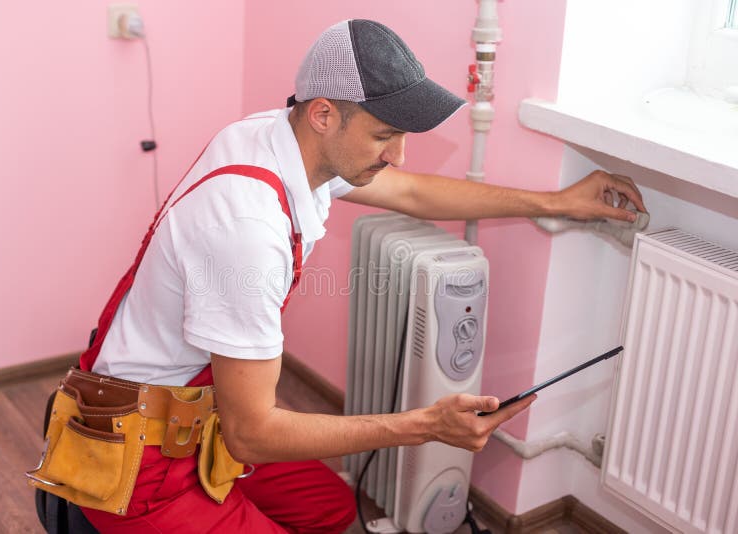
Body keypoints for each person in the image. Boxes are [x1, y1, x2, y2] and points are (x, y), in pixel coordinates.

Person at [74, 19, 646, 533]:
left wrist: (559, 201)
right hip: (140, 455)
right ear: (324, 114)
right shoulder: (248, 227)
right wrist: (424, 424)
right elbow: (251, 434)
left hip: (200, 414)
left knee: (330, 508)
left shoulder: (283, 138)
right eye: (383, 135)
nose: (398, 155)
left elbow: (417, 192)